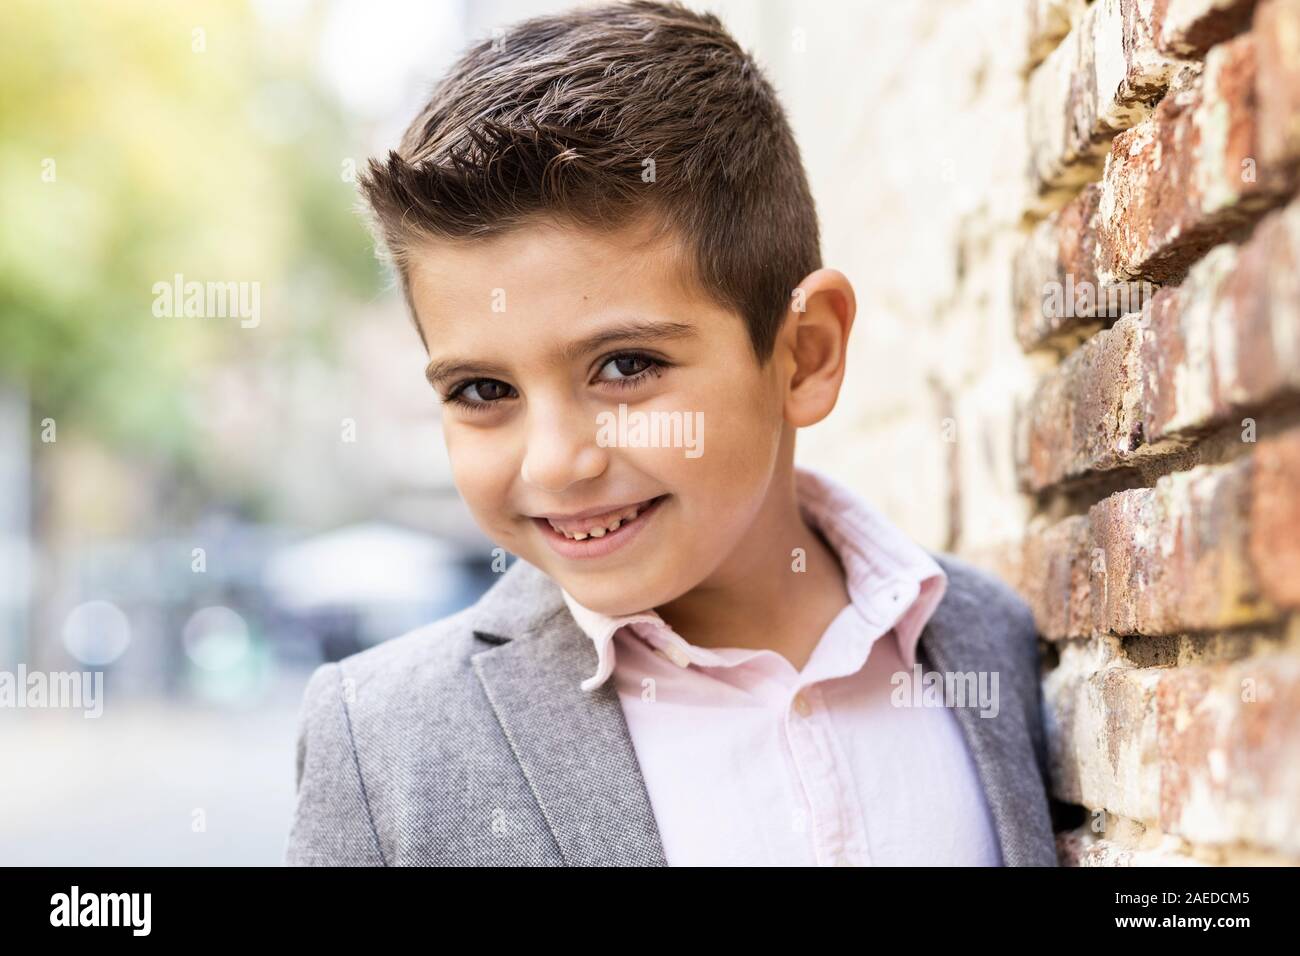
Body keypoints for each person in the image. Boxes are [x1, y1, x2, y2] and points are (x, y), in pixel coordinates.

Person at [285, 0, 1057, 866]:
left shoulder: (989, 643)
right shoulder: (383, 743)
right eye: (482, 388)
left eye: (624, 367)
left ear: (803, 355)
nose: (557, 463)